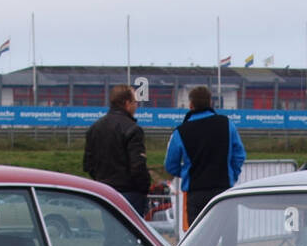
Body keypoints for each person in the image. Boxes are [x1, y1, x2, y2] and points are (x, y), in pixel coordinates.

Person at [164, 85, 246, 228]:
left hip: (195, 193)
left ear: (190, 105)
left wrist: (187, 172)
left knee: (197, 237)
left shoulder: (180, 131)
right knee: (228, 233)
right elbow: (239, 155)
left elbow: (170, 165)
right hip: (223, 189)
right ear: (210, 102)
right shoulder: (226, 124)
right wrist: (231, 175)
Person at [82, 84, 151, 216]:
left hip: (104, 192)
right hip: (130, 193)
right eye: (135, 102)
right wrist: (144, 188)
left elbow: (88, 165)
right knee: (131, 234)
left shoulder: (94, 128)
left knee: (110, 233)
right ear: (127, 103)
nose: (137, 106)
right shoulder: (133, 129)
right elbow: (138, 166)